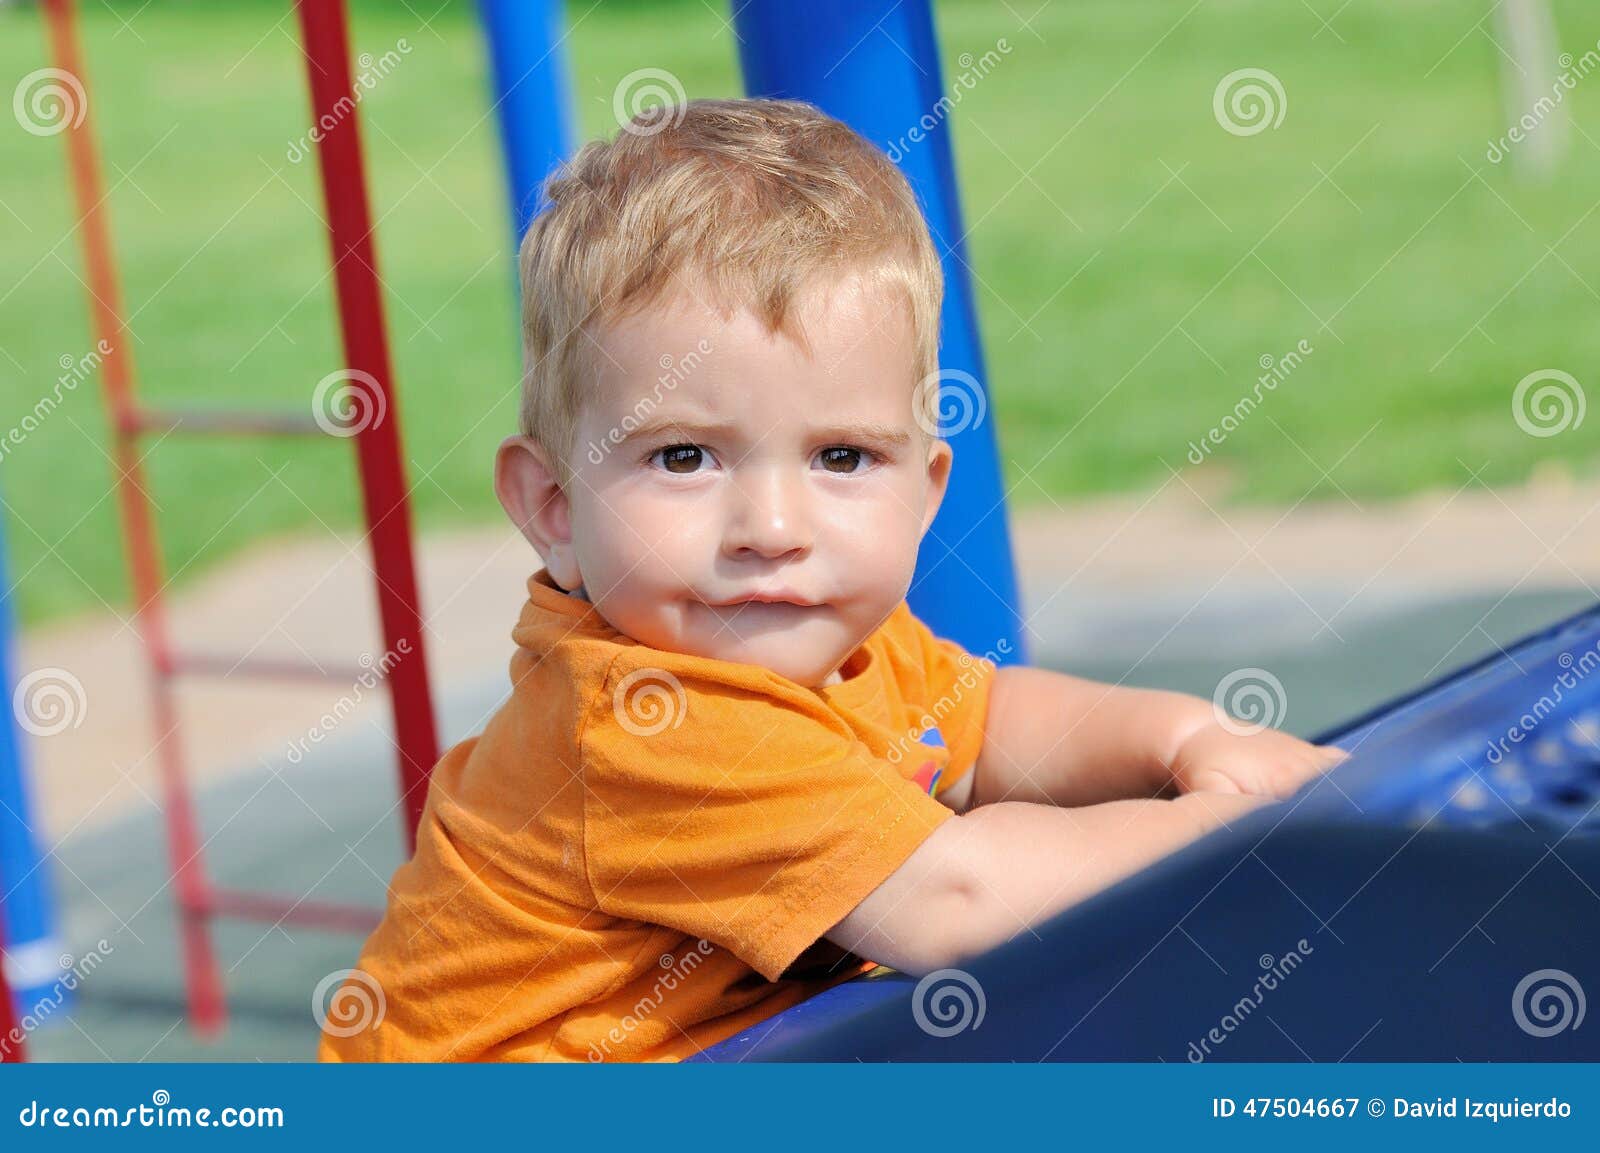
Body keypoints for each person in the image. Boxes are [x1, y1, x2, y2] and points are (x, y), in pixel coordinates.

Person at [318, 98, 1342, 1063]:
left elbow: (985, 724)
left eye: (841, 457)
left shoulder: (829, 636)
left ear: (924, 485)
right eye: (684, 457)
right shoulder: (641, 719)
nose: (771, 529)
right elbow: (960, 903)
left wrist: (1183, 735)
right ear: (553, 508)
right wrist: (1216, 826)